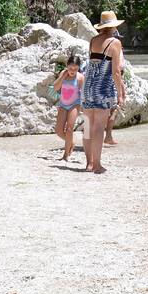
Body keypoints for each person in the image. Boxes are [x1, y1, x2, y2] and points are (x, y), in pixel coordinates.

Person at [82, 10, 127, 174]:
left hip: (87, 87)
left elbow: (92, 64)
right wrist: (121, 92)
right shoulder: (114, 43)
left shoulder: (93, 40)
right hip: (103, 87)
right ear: (113, 27)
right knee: (99, 126)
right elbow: (115, 72)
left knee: (88, 125)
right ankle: (97, 165)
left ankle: (88, 163)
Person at [52, 48, 84, 162]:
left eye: (75, 69)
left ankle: (66, 154)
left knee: (70, 129)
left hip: (75, 104)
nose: (72, 71)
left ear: (78, 68)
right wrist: (63, 76)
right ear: (67, 66)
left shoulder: (80, 77)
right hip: (63, 104)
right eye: (70, 68)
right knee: (59, 131)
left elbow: (84, 93)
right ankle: (71, 142)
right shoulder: (63, 74)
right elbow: (55, 88)